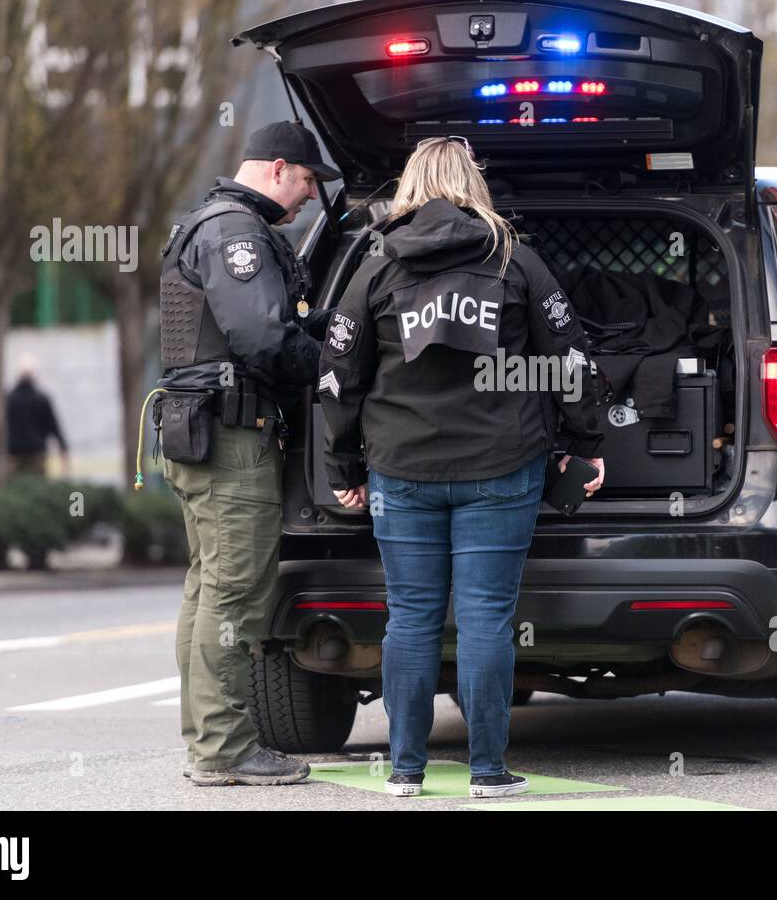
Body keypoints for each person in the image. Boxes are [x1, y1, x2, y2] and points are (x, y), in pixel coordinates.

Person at [319, 136, 605, 799]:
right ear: (474, 182)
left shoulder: (378, 264)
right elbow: (569, 360)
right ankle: (487, 772)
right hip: (501, 468)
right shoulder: (514, 260)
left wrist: (342, 466)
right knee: (484, 620)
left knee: (412, 619)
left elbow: (339, 376)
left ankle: (406, 771)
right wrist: (585, 442)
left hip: (401, 468)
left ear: (410, 183)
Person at [158, 121, 340, 786]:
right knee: (232, 595)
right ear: (278, 168)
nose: (312, 199)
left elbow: (278, 322)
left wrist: (333, 328)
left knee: (209, 589)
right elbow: (264, 339)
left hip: (209, 431)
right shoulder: (235, 231)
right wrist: (340, 372)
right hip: (230, 436)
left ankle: (211, 740)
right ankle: (224, 750)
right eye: (310, 182)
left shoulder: (223, 223)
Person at [5, 359, 69, 478]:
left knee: (14, 486)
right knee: (38, 484)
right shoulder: (42, 398)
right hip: (37, 453)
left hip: (13, 453)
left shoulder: (9, 399)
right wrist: (63, 448)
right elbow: (54, 426)